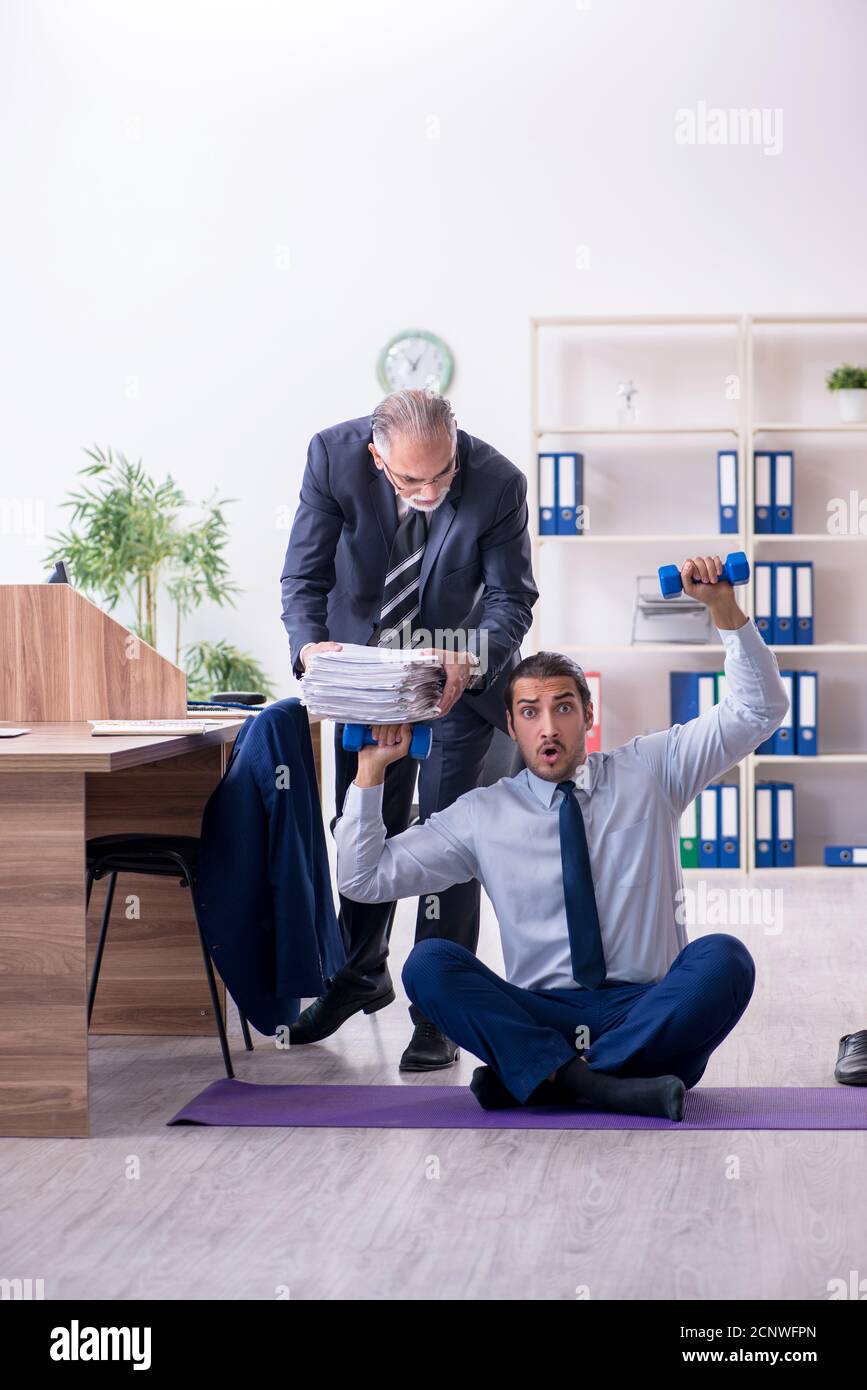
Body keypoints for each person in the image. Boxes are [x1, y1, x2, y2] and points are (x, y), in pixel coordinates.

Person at [334, 554, 790, 1120]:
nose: (548, 726)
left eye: (563, 708)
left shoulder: (652, 770)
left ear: (587, 714)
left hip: (646, 1012)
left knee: (726, 960)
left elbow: (759, 709)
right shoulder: (483, 814)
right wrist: (372, 771)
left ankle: (547, 1077)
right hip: (541, 1012)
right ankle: (606, 1086)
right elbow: (362, 879)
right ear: (512, 726)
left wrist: (724, 608)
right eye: (530, 712)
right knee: (428, 964)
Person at [280, 389, 537, 1071]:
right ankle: (358, 975)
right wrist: (309, 649)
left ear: (456, 446)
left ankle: (438, 1010)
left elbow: (513, 598)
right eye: (409, 479)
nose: (428, 491)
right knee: (363, 825)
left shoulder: (499, 482)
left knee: (447, 845)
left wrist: (472, 659)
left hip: (456, 684)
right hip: (365, 674)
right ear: (376, 456)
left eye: (441, 475)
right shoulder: (331, 458)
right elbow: (303, 578)